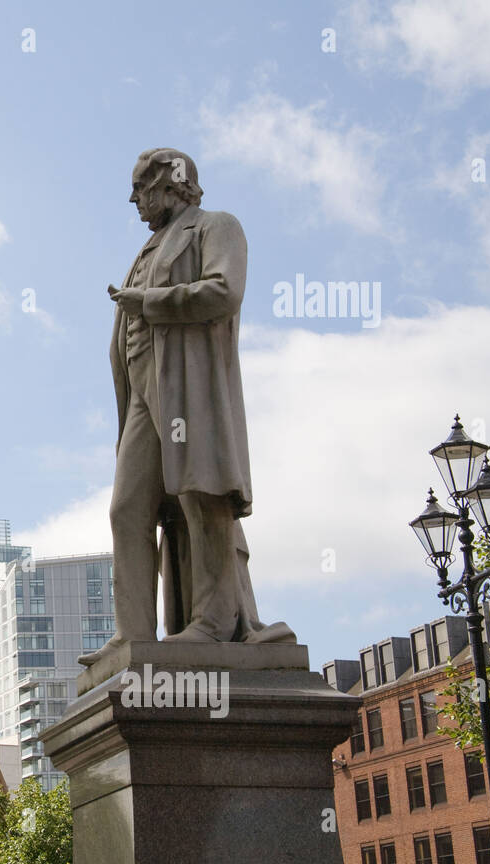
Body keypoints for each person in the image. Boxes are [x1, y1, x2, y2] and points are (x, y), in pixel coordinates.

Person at [104, 148, 291, 646]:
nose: (133, 199)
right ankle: (133, 635)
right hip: (142, 391)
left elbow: (224, 291)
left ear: (173, 184)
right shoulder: (145, 251)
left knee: (200, 493)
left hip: (187, 386)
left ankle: (213, 621)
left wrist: (151, 303)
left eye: (140, 187)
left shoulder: (216, 226)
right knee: (127, 507)